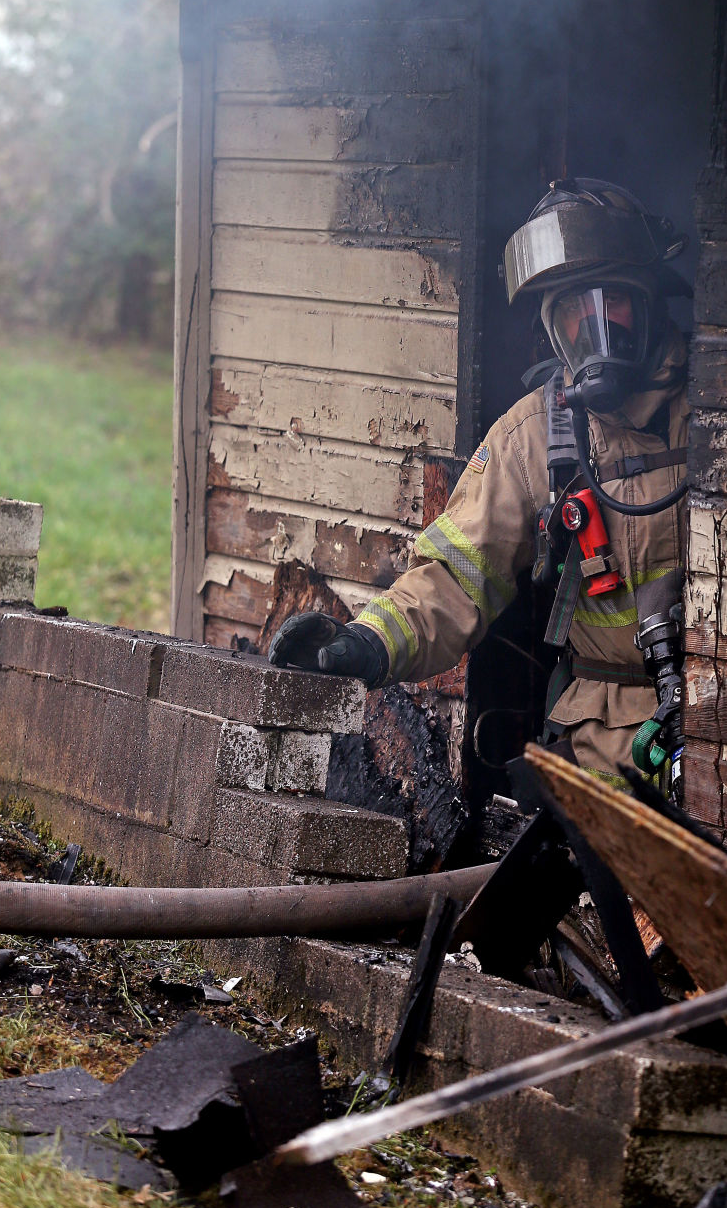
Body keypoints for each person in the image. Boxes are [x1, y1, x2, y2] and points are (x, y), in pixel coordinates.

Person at [269, 179, 690, 780]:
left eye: (609, 302)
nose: (592, 329)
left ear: (651, 301)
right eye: (571, 312)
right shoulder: (535, 439)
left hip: (722, 733)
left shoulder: (720, 416)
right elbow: (453, 579)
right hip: (601, 750)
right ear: (551, 328)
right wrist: (369, 643)